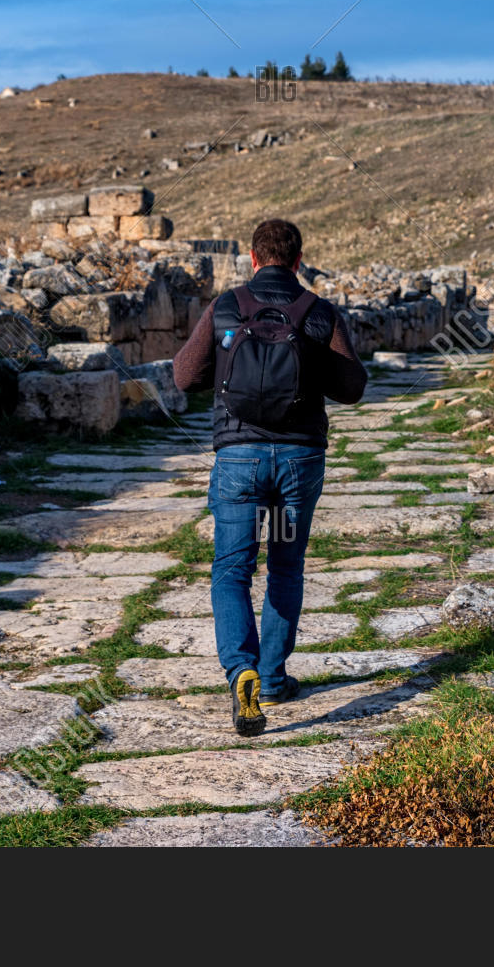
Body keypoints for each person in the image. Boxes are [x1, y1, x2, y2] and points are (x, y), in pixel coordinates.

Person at [173, 219, 368, 735]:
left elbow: (184, 376)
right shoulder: (318, 311)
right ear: (298, 262)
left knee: (232, 568)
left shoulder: (226, 306)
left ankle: (242, 672)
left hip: (239, 461)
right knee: (285, 567)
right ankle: (275, 677)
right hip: (299, 462)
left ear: (253, 260)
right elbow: (351, 388)